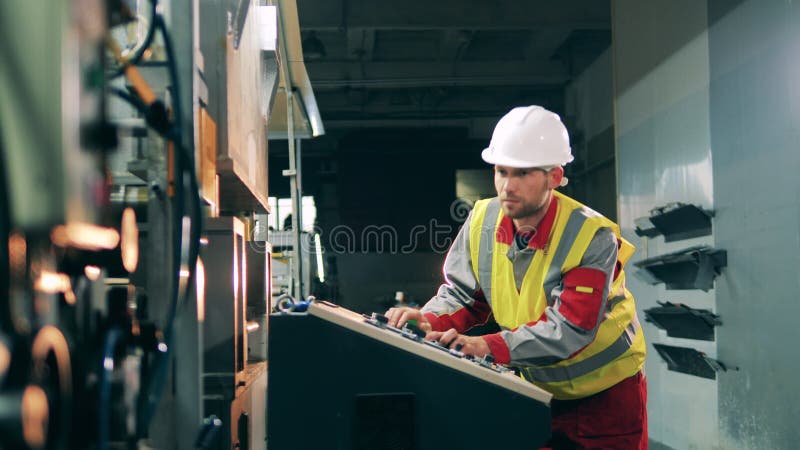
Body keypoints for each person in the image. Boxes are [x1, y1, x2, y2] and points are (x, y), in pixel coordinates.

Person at [386, 105, 647, 449]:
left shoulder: (590, 235)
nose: (507, 186)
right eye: (501, 171)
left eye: (522, 174)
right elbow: (463, 294)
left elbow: (571, 328)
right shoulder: (482, 219)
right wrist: (428, 319)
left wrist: (487, 346)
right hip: (536, 391)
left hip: (607, 397)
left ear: (554, 176)